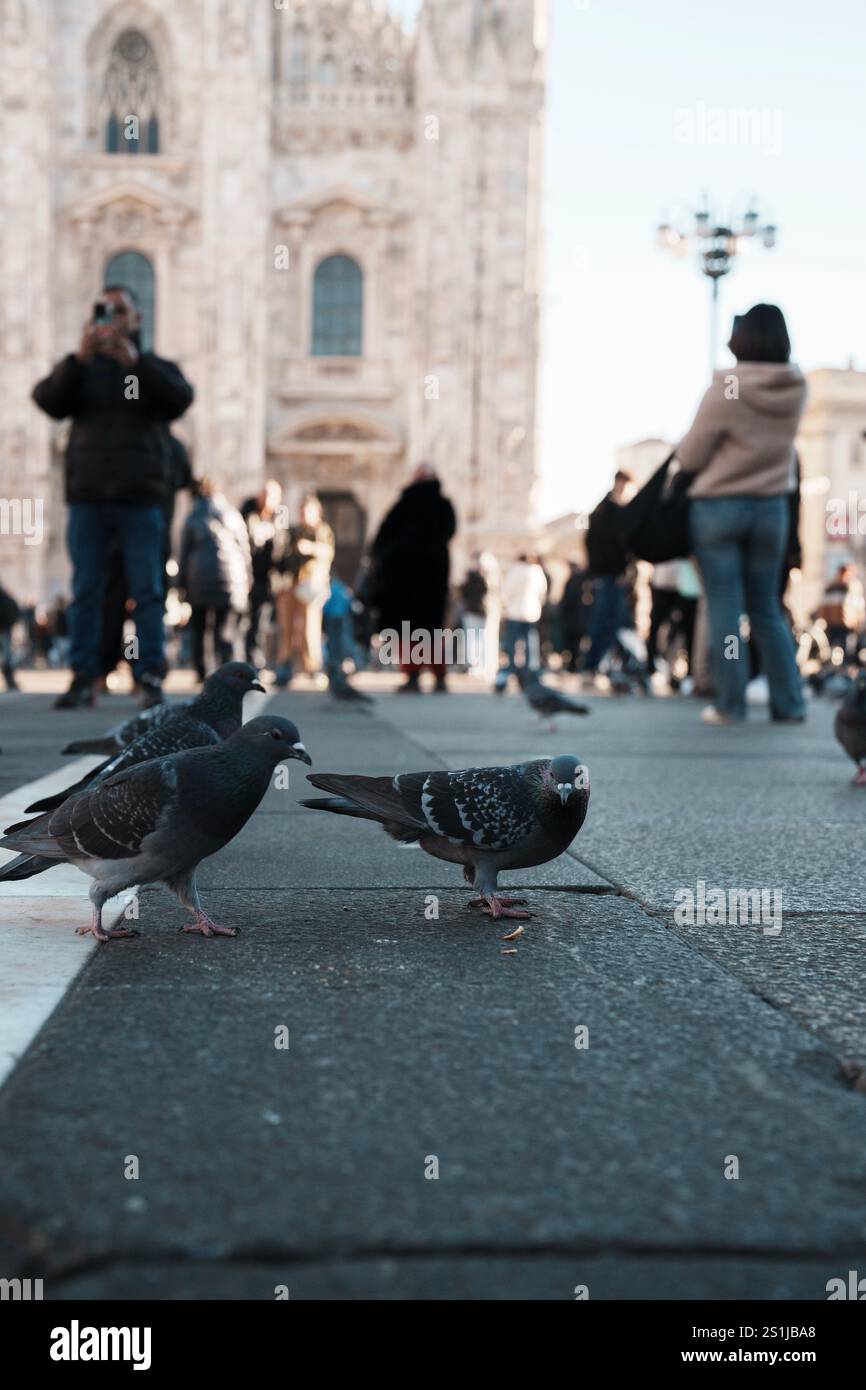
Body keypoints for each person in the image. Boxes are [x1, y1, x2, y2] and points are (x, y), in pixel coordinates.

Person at [32, 284, 194, 708]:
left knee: (148, 590)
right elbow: (48, 400)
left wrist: (135, 365)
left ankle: (150, 675)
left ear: (136, 320)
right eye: (104, 310)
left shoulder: (149, 368)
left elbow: (181, 399)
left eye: (120, 310)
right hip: (88, 494)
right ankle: (84, 676)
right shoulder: (81, 371)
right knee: (86, 588)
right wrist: (76, 360)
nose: (112, 319)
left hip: (139, 497)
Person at [677, 303, 807, 725]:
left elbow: (692, 453)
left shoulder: (730, 386)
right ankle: (790, 703)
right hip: (771, 509)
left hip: (720, 508)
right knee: (767, 608)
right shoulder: (796, 387)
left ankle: (731, 704)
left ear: (743, 338)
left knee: (726, 610)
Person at [370, 464, 456, 693]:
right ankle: (438, 676)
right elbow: (448, 532)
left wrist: (392, 557)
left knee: (409, 631)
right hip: (431, 579)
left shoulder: (404, 505)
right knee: (430, 630)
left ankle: (413, 675)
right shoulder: (443, 505)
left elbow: (381, 540)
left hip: (404, 579)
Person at [177, 478, 251, 682]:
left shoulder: (193, 517)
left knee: (199, 629)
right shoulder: (233, 515)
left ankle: (202, 672)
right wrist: (247, 579)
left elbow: (183, 553)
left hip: (198, 579)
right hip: (231, 580)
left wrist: (180, 585)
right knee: (225, 630)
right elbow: (245, 551)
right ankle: (226, 672)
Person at [272, 494, 334, 687]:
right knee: (287, 628)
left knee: (310, 629)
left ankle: (313, 667)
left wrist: (310, 548)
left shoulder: (322, 531)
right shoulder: (293, 531)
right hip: (291, 584)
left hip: (311, 585)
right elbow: (281, 556)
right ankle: (284, 665)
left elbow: (328, 553)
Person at [581, 470, 637, 676]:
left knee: (608, 619)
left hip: (606, 574)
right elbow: (614, 545)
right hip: (611, 574)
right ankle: (594, 663)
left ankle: (600, 663)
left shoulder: (601, 509)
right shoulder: (611, 511)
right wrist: (620, 568)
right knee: (608, 620)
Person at [241, 479, 282, 666]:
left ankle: (256, 659)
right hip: (245, 577)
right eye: (264, 494)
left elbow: (282, 550)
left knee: (261, 622)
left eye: (272, 496)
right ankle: (241, 658)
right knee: (242, 621)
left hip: (266, 580)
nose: (267, 499)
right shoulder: (247, 513)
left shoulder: (280, 519)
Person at [495, 553, 548, 691]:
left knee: (512, 643)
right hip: (532, 612)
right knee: (531, 643)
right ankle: (530, 670)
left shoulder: (515, 571)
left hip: (515, 612)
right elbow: (543, 592)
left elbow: (506, 592)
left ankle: (511, 668)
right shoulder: (537, 571)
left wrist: (505, 606)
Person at [0, 582, 20, 691]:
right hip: (6, 628)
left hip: (4, 628)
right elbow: (16, 611)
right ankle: (10, 681)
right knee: (7, 655)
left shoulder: (5, 599)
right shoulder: (7, 598)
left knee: (7, 656)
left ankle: (10, 680)